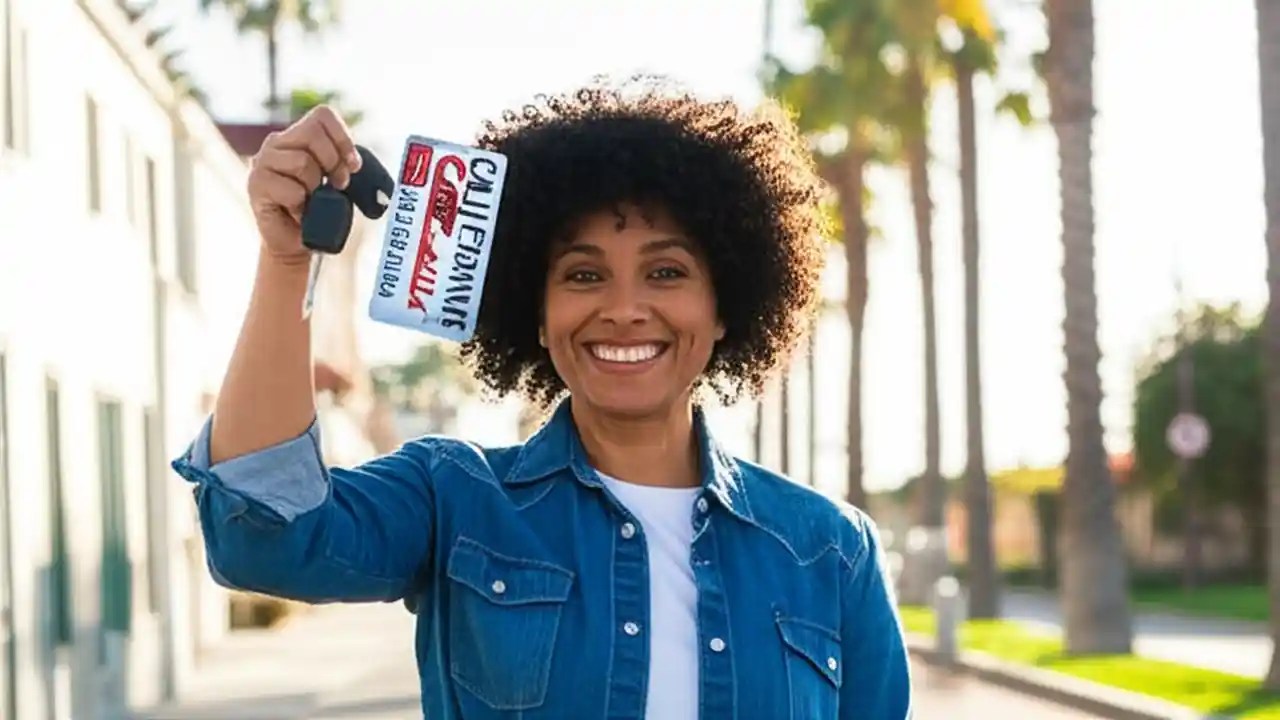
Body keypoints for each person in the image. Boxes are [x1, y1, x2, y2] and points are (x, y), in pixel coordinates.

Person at [172, 76, 912, 719]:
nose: (624, 308)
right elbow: (262, 538)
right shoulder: (454, 498)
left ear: (725, 308)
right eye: (584, 276)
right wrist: (285, 259)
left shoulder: (830, 551)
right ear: (537, 309)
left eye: (666, 273)